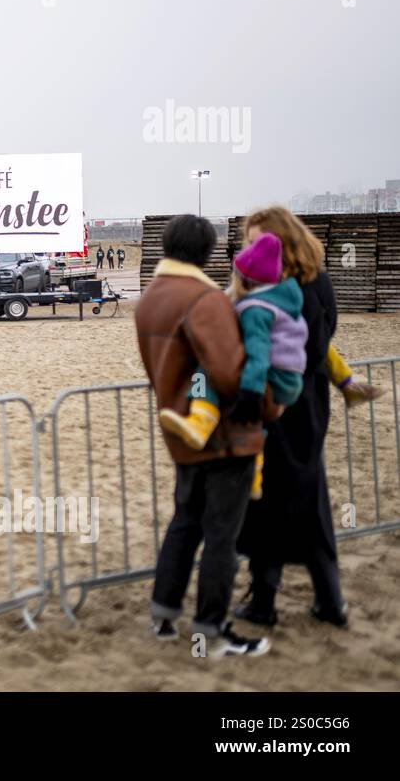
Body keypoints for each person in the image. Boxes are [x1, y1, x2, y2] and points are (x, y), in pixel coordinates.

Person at [135, 213, 270, 657]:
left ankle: (162, 616)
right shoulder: (204, 299)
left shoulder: (149, 300)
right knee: (221, 537)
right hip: (225, 434)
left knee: (184, 523)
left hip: (180, 430)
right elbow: (228, 374)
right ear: (209, 253)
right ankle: (210, 629)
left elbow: (175, 370)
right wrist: (273, 402)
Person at [234, 206, 348, 629]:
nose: (249, 248)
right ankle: (330, 599)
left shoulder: (287, 288)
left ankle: (263, 602)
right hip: (311, 404)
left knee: (269, 505)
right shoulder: (317, 281)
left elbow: (308, 346)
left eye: (256, 240)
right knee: (309, 502)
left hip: (281, 405)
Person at [159, 233, 307, 501]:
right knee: (257, 422)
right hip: (292, 377)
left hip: (274, 376)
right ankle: (255, 478)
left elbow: (259, 354)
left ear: (247, 277)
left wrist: (250, 391)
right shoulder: (285, 299)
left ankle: (200, 420)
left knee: (202, 370)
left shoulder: (256, 309)